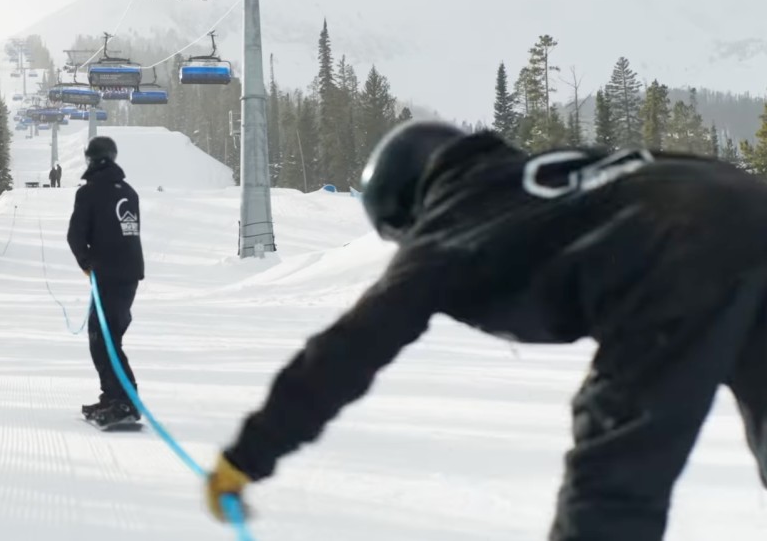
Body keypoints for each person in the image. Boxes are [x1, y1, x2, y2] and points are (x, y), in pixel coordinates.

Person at [205, 119, 767, 540]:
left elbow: (349, 349)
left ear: (407, 212)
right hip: (747, 208)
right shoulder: (539, 176)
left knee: (612, 477)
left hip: (675, 255)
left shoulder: (451, 226)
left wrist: (247, 456)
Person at [67, 136, 145, 428]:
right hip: (129, 274)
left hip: (107, 274)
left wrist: (87, 264)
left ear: (89, 159)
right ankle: (114, 396)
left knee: (103, 341)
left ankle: (125, 401)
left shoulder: (89, 192)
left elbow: (76, 235)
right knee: (110, 337)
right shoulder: (128, 191)